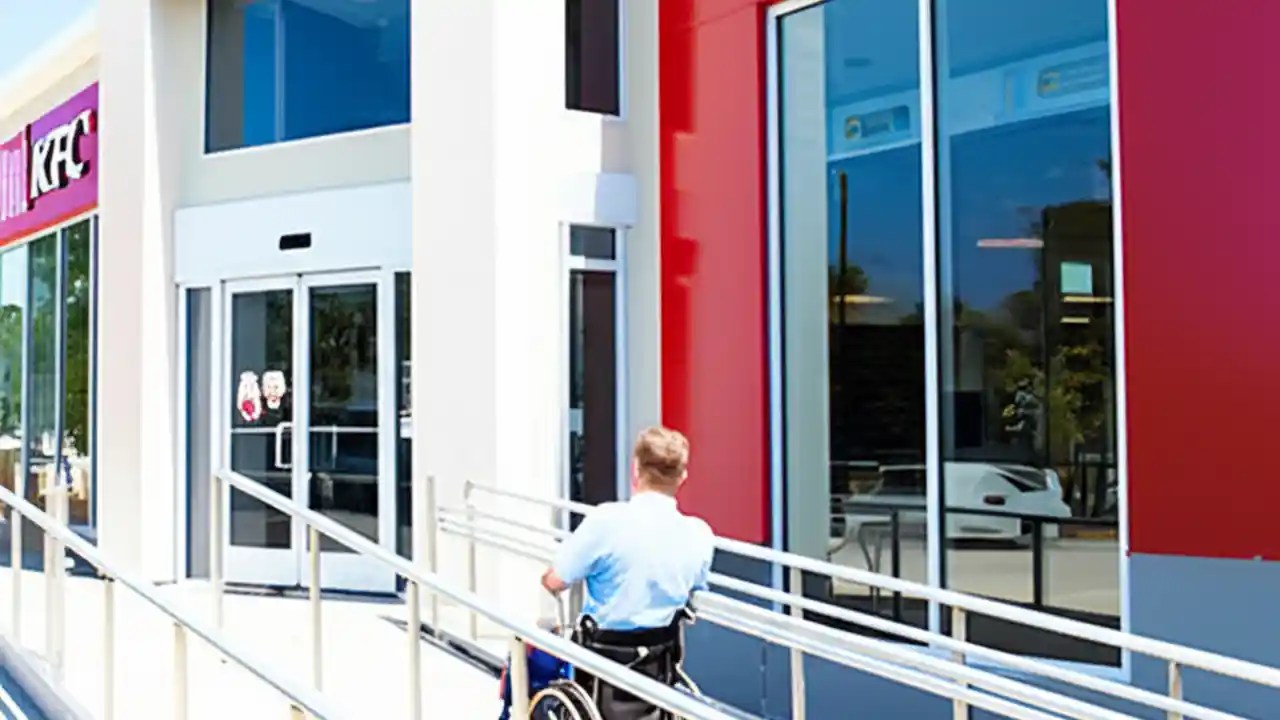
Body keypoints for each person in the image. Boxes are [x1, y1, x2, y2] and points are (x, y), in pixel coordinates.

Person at [541, 425, 715, 720]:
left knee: (532, 651)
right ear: (682, 477)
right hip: (659, 668)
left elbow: (556, 579)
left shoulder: (606, 521)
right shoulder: (699, 534)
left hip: (601, 669)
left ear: (635, 470)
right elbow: (694, 588)